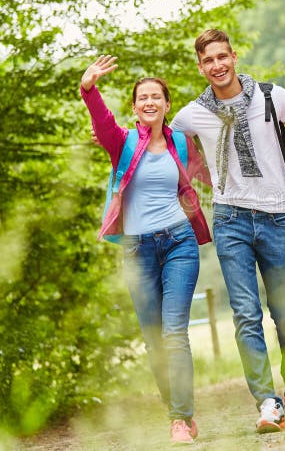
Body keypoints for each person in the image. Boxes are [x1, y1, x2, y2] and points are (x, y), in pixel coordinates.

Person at [170, 30, 285, 433]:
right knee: (246, 314)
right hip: (230, 218)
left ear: (234, 56)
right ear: (201, 67)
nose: (216, 65)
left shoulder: (272, 97)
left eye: (221, 56)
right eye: (208, 60)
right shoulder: (192, 114)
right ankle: (268, 402)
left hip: (277, 216)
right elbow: (154, 141)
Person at [80, 56, 211, 445]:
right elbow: (102, 122)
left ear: (167, 105)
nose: (150, 102)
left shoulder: (181, 144)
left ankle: (180, 419)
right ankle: (178, 411)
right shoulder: (122, 142)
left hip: (178, 243)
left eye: (157, 96)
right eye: (143, 98)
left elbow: (214, 172)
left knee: (174, 333)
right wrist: (89, 89)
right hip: (138, 251)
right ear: (135, 107)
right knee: (154, 339)